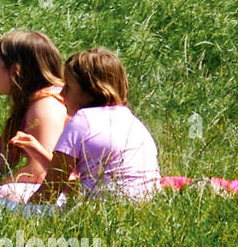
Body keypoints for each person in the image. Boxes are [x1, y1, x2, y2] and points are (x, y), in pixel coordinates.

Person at [30, 48, 160, 204]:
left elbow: (48, 193)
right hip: (146, 206)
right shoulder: (134, 123)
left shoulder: (82, 121)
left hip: (102, 211)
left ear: (91, 92)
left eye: (68, 87)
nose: (62, 94)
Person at [0, 30, 68, 202]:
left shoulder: (45, 107)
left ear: (15, 72)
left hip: (63, 192)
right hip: (50, 186)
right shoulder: (31, 104)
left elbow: (41, 171)